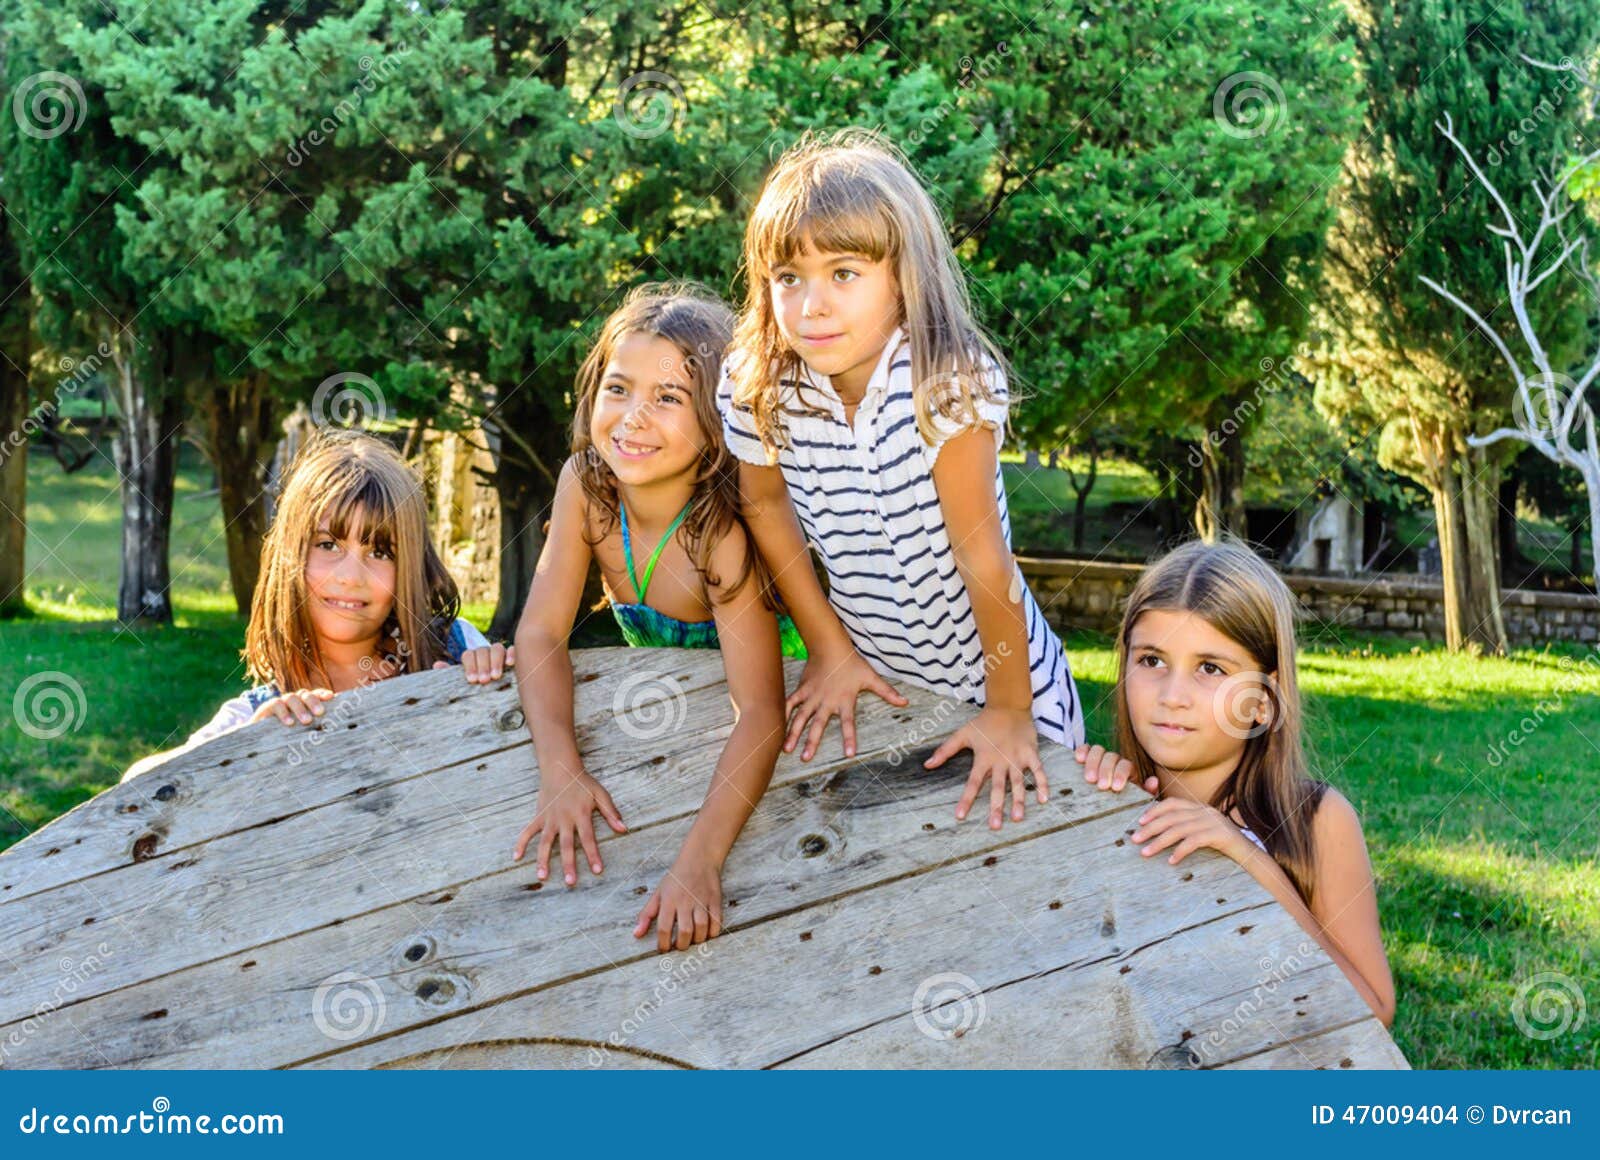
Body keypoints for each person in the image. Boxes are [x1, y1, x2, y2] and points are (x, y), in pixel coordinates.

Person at [720, 128, 1084, 831]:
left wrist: (1009, 711)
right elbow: (763, 505)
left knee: (1040, 856)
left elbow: (985, 559)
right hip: (887, 681)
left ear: (904, 275)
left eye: (844, 274)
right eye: (788, 278)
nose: (811, 305)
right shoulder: (759, 383)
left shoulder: (944, 383)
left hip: (1009, 680)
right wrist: (827, 647)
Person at [510, 283, 795, 952]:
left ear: (718, 419)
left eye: (668, 398)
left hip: (777, 722)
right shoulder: (586, 486)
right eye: (618, 388)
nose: (633, 418)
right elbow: (541, 631)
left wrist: (700, 862)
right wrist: (561, 767)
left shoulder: (718, 531)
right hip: (669, 733)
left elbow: (759, 712)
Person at [1078, 538, 1395, 1025]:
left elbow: (1373, 1012)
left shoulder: (1318, 821)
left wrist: (1252, 862)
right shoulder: (1111, 799)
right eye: (1151, 661)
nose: (1172, 694)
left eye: (1210, 668)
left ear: (1264, 700)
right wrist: (1085, 809)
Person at [121, 428, 504, 781]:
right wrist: (245, 746)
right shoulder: (262, 712)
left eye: (381, 551)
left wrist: (496, 683)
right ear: (290, 556)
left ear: (411, 567)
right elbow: (137, 785)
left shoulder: (456, 649)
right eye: (328, 545)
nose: (351, 576)